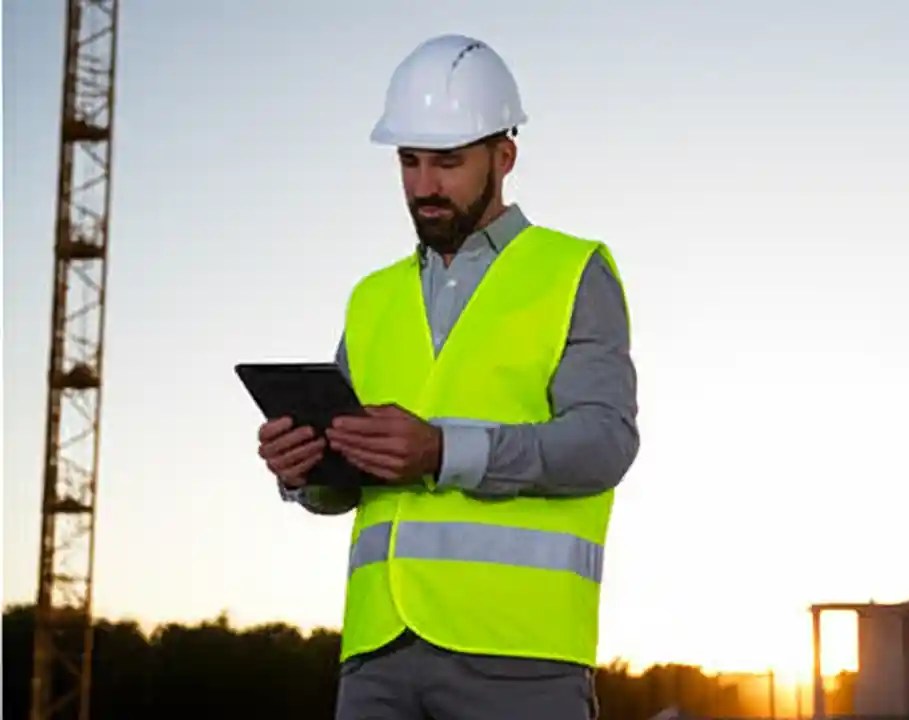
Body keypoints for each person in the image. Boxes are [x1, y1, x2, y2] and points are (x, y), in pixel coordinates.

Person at [253, 33, 639, 720]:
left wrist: (440, 450)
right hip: (376, 655)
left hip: (521, 657)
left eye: (448, 163)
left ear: (505, 156)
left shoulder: (573, 271)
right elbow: (345, 483)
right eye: (409, 161)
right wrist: (304, 470)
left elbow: (604, 443)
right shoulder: (372, 298)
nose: (424, 186)